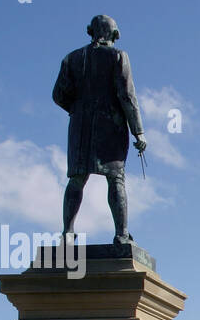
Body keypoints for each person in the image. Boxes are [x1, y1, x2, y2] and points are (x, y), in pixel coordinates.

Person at [52, 14, 148, 244]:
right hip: (110, 125)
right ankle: (121, 234)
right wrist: (138, 131)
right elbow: (126, 96)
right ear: (113, 34)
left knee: (77, 179)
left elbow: (58, 95)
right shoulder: (118, 56)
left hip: (80, 126)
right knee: (116, 179)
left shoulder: (71, 58)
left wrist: (77, 109)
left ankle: (68, 232)